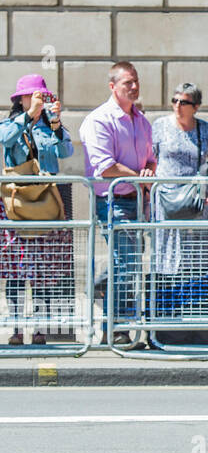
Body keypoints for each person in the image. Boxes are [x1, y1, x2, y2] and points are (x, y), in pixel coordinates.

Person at [80, 62, 155, 346]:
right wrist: (139, 177)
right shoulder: (100, 120)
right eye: (127, 83)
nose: (134, 87)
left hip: (137, 200)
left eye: (136, 82)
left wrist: (148, 169)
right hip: (112, 201)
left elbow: (149, 157)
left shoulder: (142, 121)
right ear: (112, 87)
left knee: (129, 262)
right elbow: (104, 167)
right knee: (127, 262)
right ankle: (116, 327)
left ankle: (101, 288)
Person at [0, 75, 73, 345]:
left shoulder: (49, 126)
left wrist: (55, 124)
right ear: (20, 99)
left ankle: (41, 328)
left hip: (46, 202)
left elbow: (66, 152)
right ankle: (17, 328)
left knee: (43, 271)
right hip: (18, 205)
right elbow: (5, 139)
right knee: (17, 270)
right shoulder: (11, 123)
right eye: (33, 96)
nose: (39, 100)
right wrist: (28, 116)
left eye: (42, 96)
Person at [150, 83, 208, 276]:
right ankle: (165, 296)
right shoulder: (160, 126)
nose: (178, 105)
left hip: (193, 199)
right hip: (166, 199)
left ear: (195, 107)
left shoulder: (204, 129)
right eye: (175, 100)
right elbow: (151, 158)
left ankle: (194, 298)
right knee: (166, 248)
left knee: (195, 254)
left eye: (184, 102)